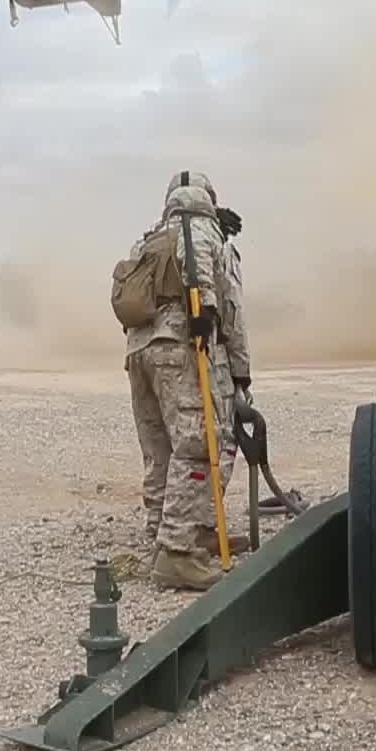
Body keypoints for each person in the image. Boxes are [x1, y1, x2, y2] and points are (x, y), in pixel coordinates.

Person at [116, 170, 252, 591]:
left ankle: (168, 533)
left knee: (160, 448)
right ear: (209, 199)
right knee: (199, 442)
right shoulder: (208, 235)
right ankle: (178, 551)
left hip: (139, 351)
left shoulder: (150, 238)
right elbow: (227, 307)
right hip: (182, 347)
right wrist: (242, 369)